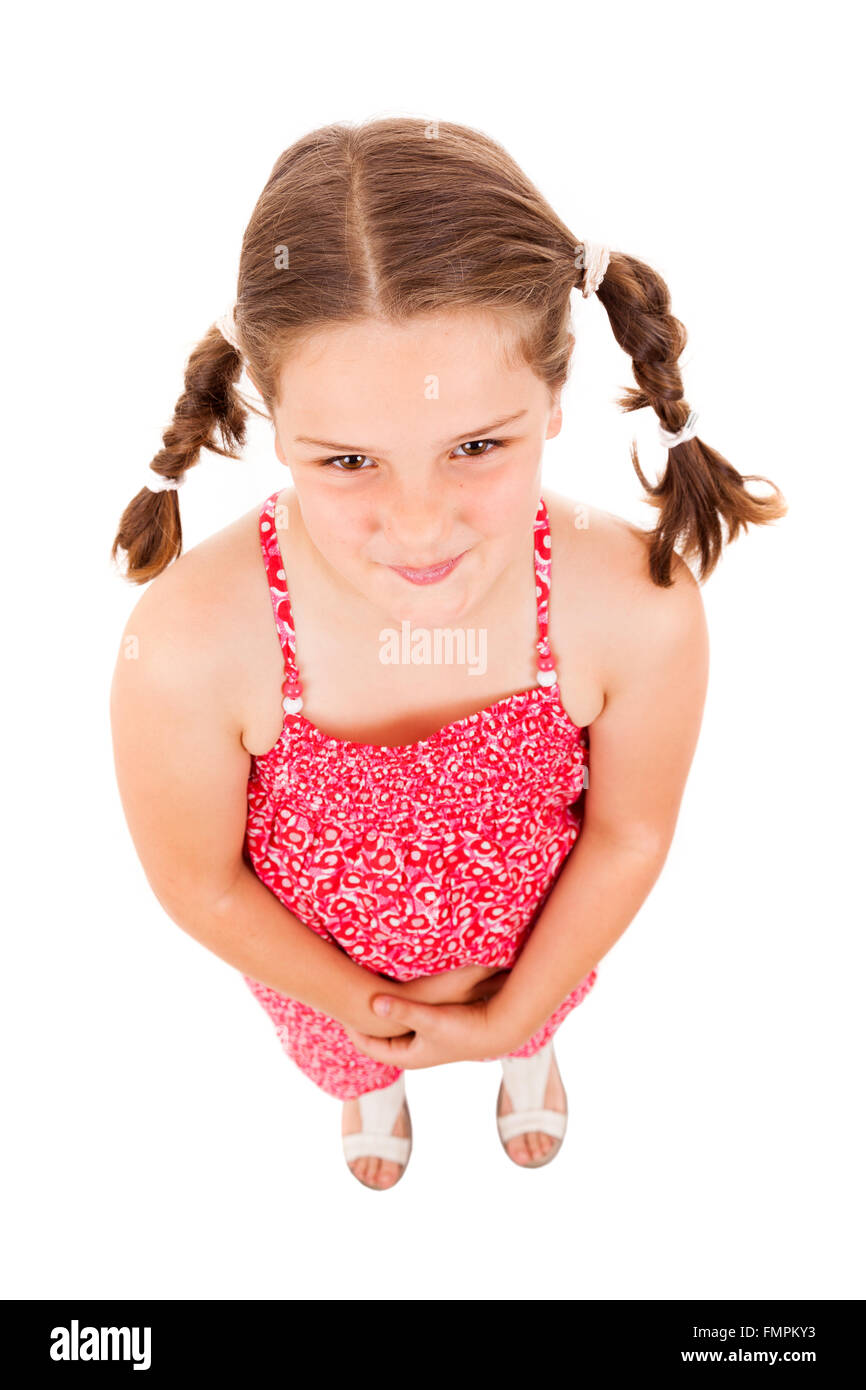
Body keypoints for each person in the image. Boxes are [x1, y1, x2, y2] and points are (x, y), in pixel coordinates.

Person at [109, 117, 786, 1191]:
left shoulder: (632, 608)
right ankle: (372, 1080)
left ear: (554, 398)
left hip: (536, 950)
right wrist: (368, 1012)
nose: (419, 527)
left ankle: (525, 1054)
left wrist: (512, 1006)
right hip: (323, 978)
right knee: (355, 1059)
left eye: (476, 445)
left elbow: (627, 832)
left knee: (521, 1027)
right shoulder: (193, 641)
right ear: (270, 419)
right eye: (347, 460)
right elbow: (198, 882)